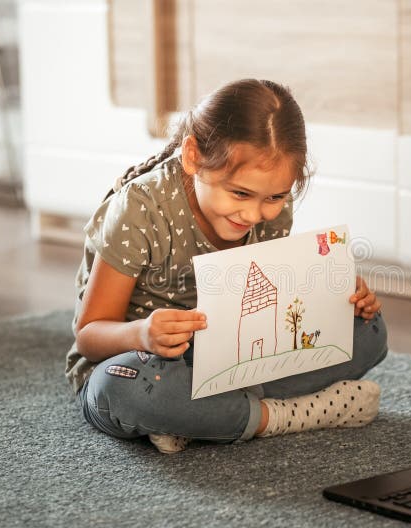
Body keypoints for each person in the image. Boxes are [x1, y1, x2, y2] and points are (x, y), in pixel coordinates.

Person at [66, 79, 388, 453]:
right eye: (240, 193)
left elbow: (276, 303)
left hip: (235, 358)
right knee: (122, 389)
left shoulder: (271, 207)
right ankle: (288, 415)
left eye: (275, 197)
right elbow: (89, 335)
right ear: (193, 157)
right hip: (142, 361)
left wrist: (338, 297)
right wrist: (143, 334)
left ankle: (201, 417)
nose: (253, 213)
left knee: (369, 330)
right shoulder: (140, 208)